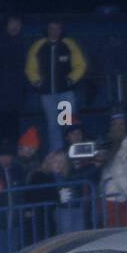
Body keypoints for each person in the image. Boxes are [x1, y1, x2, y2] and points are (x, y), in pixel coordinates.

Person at [25, 19, 87, 154]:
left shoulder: (69, 45)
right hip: (47, 95)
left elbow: (80, 65)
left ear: (61, 30)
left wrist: (71, 79)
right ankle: (57, 155)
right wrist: (37, 82)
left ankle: (73, 153)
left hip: (65, 94)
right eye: (51, 28)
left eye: (57, 28)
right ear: (47, 29)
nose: (54, 31)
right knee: (53, 125)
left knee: (67, 124)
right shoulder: (38, 45)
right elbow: (30, 68)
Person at [0, 15, 27, 152]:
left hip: (14, 98)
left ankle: (12, 162)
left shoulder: (20, 42)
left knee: (13, 133)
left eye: (18, 23)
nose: (15, 26)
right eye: (12, 23)